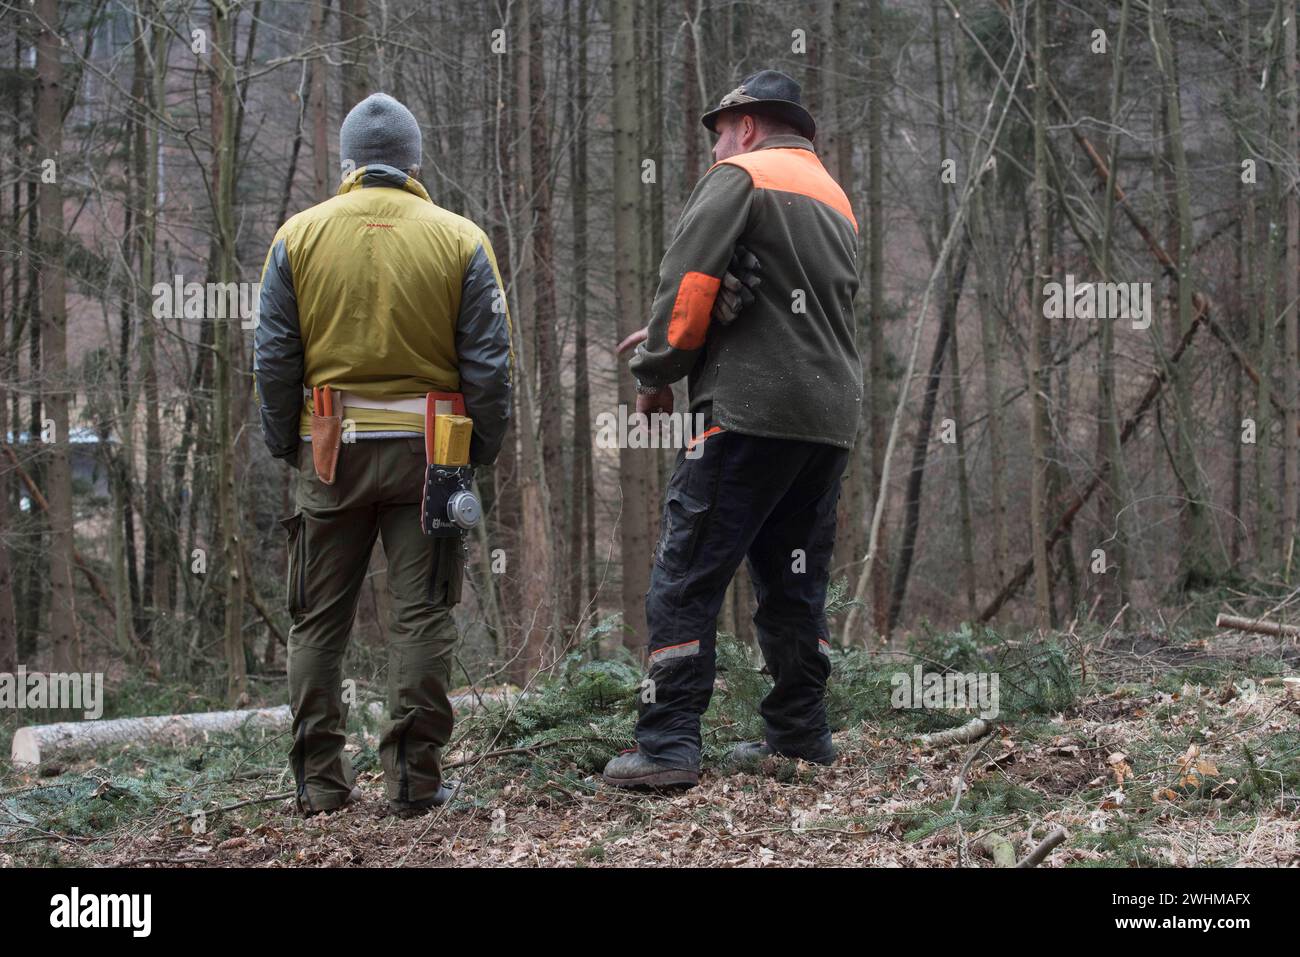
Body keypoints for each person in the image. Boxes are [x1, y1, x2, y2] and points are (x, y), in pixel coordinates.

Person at [253, 93, 512, 816]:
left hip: (329, 451)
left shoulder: (296, 238)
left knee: (316, 622)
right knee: (423, 616)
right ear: (414, 162)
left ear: (346, 164)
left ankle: (319, 785)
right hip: (429, 455)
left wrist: (286, 441)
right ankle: (414, 782)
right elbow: (490, 365)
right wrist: (480, 449)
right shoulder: (460, 239)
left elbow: (274, 359)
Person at [603, 70, 862, 789]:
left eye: (718, 131)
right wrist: (694, 319)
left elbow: (688, 284)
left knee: (686, 572)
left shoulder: (739, 174)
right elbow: (779, 302)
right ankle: (801, 736)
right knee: (793, 580)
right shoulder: (836, 200)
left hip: (747, 413)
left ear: (745, 125)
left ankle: (667, 743)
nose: (716, 145)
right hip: (828, 420)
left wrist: (656, 370)